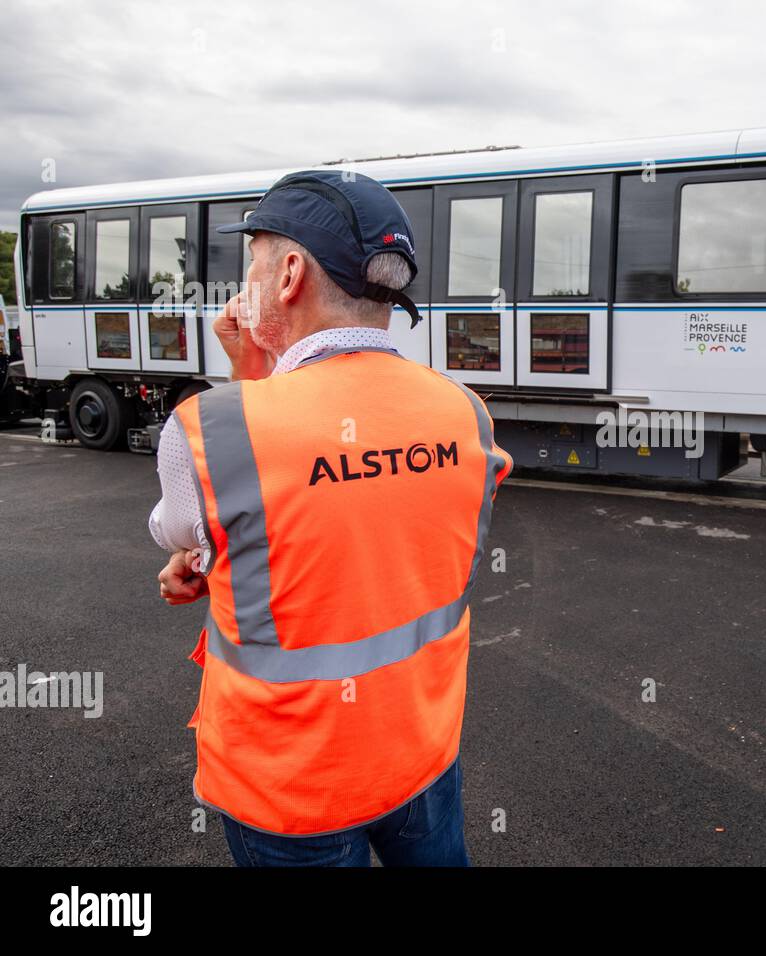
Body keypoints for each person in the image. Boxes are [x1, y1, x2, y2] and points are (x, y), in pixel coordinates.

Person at [151, 170, 512, 866]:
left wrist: (251, 375)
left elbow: (188, 532)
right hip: (421, 754)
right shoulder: (464, 411)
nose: (242, 281)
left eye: (250, 260)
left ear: (288, 274)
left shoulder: (212, 427)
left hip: (290, 789)